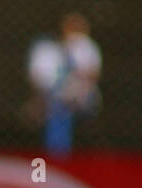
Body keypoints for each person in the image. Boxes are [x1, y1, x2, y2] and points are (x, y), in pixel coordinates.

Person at [27, 12, 101, 156]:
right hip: (50, 97)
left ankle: (58, 155)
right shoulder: (45, 48)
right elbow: (37, 79)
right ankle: (58, 155)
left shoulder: (86, 47)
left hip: (81, 97)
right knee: (57, 109)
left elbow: (92, 76)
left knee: (60, 110)